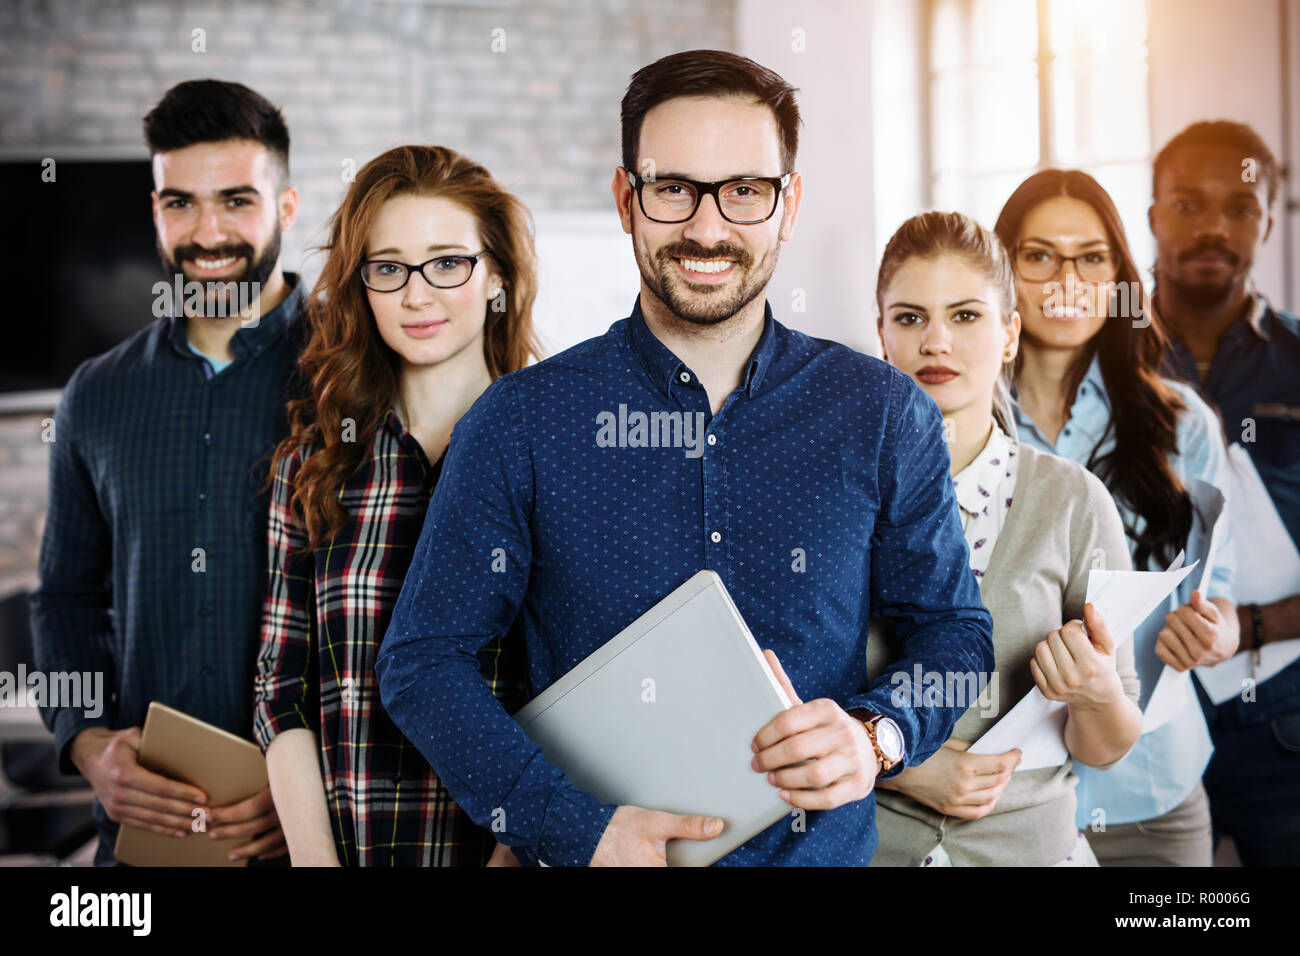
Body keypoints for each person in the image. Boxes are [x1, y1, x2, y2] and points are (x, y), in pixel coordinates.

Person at [375, 49, 994, 867]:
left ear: (789, 203)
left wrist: (878, 735)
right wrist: (570, 825)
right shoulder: (519, 422)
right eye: (673, 190)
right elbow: (422, 664)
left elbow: (956, 634)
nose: (708, 229)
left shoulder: (883, 413)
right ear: (627, 200)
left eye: (744, 191)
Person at [30, 79, 306, 865]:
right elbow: (66, 597)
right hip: (147, 843)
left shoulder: (355, 376)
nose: (207, 232)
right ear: (153, 210)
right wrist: (85, 743)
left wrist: (319, 790)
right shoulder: (98, 393)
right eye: (179, 203)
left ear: (285, 208)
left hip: (321, 835)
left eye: (236, 201)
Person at [253, 145, 538, 867]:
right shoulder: (315, 467)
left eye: (448, 263)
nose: (417, 296)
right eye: (388, 268)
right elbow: (281, 689)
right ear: (362, 285)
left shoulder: (554, 459)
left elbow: (572, 697)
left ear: (496, 276)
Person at [869, 211, 1143, 866]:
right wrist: (898, 762)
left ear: (1010, 333)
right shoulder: (835, 496)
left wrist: (1097, 690)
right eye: (910, 318)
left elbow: (1109, 741)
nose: (936, 342)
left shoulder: (1075, 502)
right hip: (873, 850)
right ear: (882, 337)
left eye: (965, 316)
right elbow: (785, 694)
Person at [995, 169, 1239, 866]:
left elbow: (1220, 589)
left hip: (1151, 796)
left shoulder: (1183, 424)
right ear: (1003, 269)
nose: (1066, 279)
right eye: (1038, 256)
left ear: (1119, 277)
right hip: (1007, 801)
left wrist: (1212, 631)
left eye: (1091, 257)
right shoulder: (960, 425)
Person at [1150, 121, 1300, 866]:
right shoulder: (1104, 362)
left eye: (1240, 206)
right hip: (1141, 722)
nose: (1213, 226)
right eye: (1186, 205)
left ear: (1270, 220)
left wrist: (1254, 623)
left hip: (1285, 724)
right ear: (1151, 217)